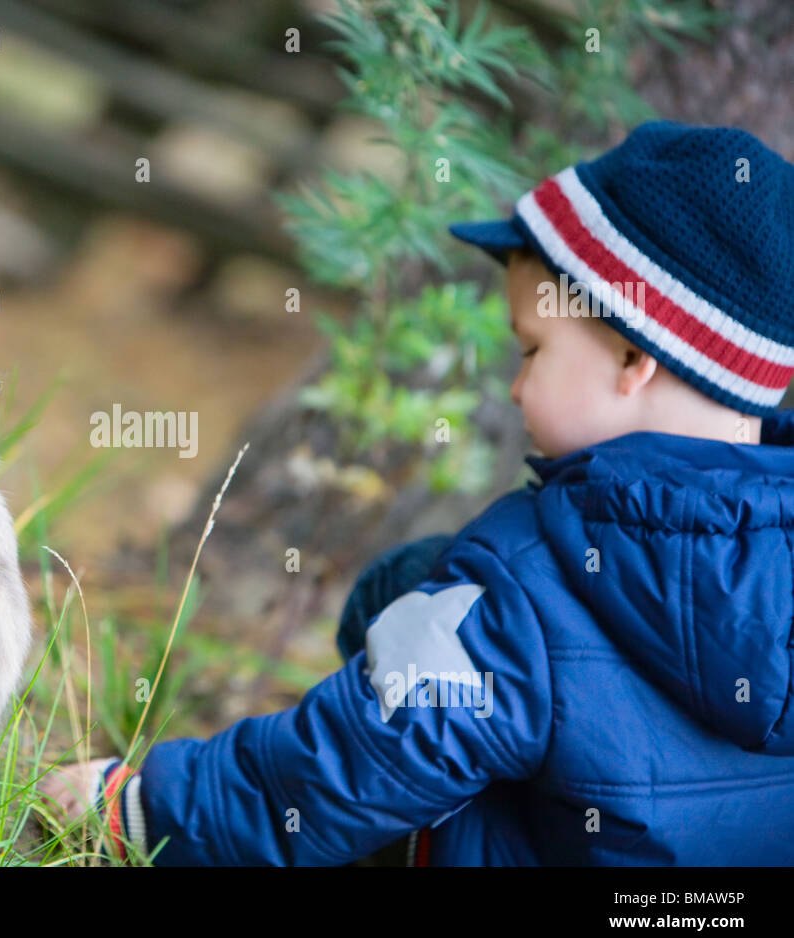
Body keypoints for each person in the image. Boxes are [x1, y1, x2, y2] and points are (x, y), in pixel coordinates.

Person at [39, 121, 794, 865]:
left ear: (634, 355)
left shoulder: (531, 583)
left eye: (533, 348)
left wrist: (149, 810)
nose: (516, 383)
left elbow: (353, 760)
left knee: (418, 606)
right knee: (421, 583)